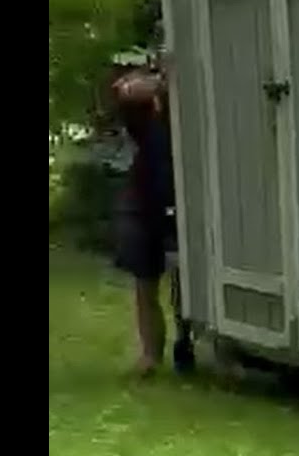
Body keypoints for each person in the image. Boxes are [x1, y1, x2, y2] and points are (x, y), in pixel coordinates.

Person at [111, 66, 178, 376]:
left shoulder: (180, 118)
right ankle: (151, 355)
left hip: (176, 203)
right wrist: (163, 79)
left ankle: (184, 342)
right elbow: (125, 89)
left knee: (183, 283)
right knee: (145, 285)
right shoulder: (144, 121)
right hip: (144, 204)